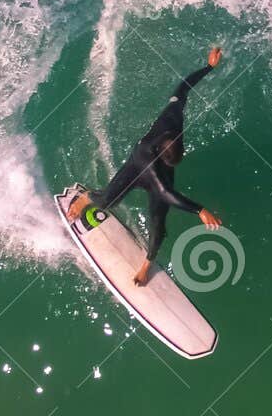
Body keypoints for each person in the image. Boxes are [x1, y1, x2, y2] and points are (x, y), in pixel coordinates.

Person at [71, 47, 225, 286]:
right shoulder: (150, 161)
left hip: (161, 173)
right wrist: (200, 210)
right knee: (106, 201)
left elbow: (183, 87)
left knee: (158, 224)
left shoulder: (172, 118)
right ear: (162, 155)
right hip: (139, 166)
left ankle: (146, 264)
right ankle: (85, 197)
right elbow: (166, 192)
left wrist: (209, 67)